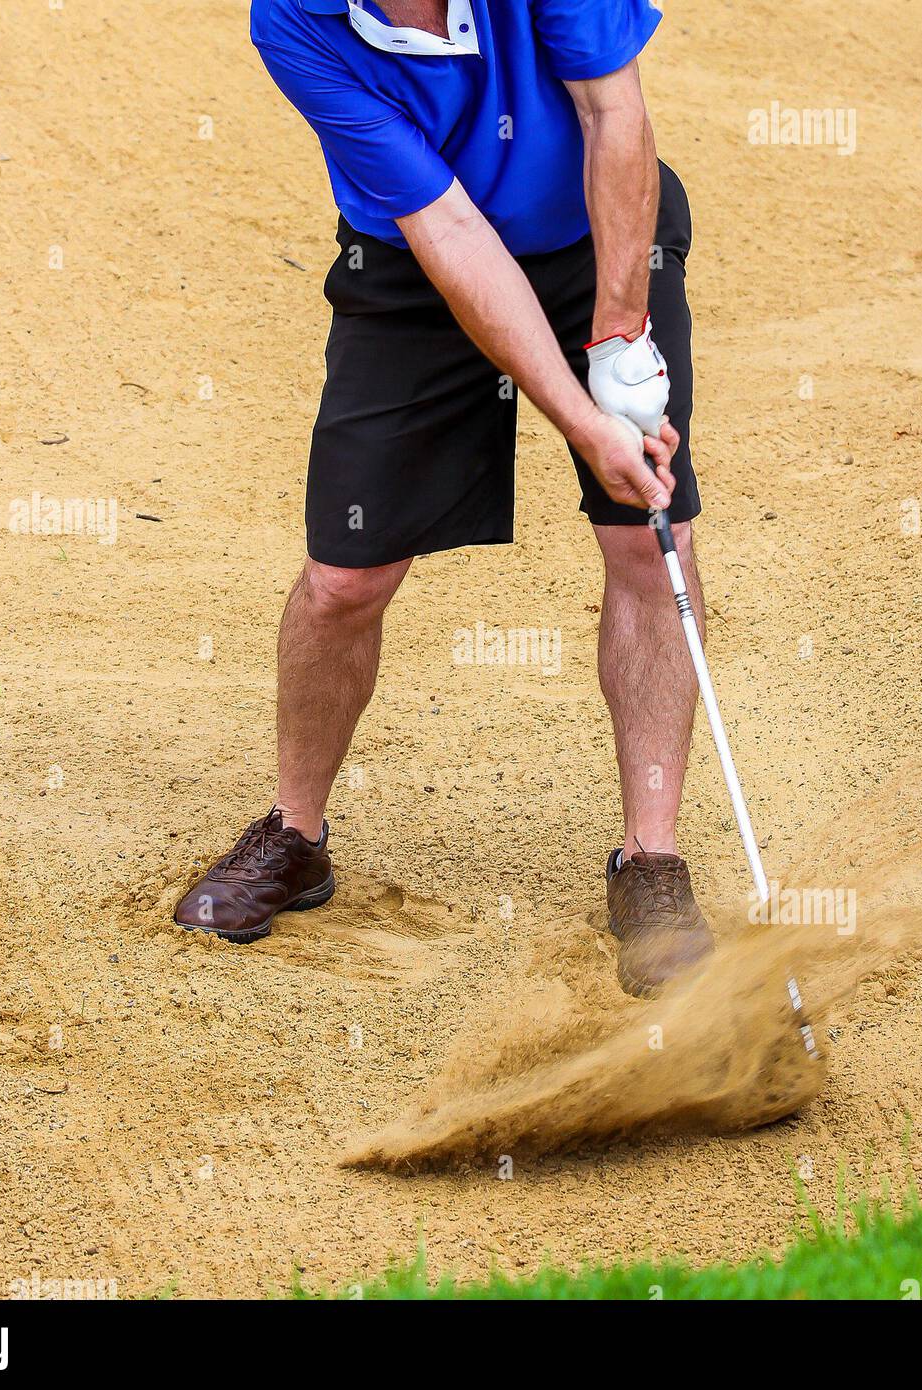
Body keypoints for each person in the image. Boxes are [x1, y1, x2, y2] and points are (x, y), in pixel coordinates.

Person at [175, 0, 714, 996]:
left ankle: (651, 860)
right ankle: (296, 835)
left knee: (651, 547)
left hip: (598, 225)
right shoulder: (293, 19)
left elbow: (614, 116)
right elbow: (449, 227)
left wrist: (618, 342)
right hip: (422, 265)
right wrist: (581, 421)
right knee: (344, 578)